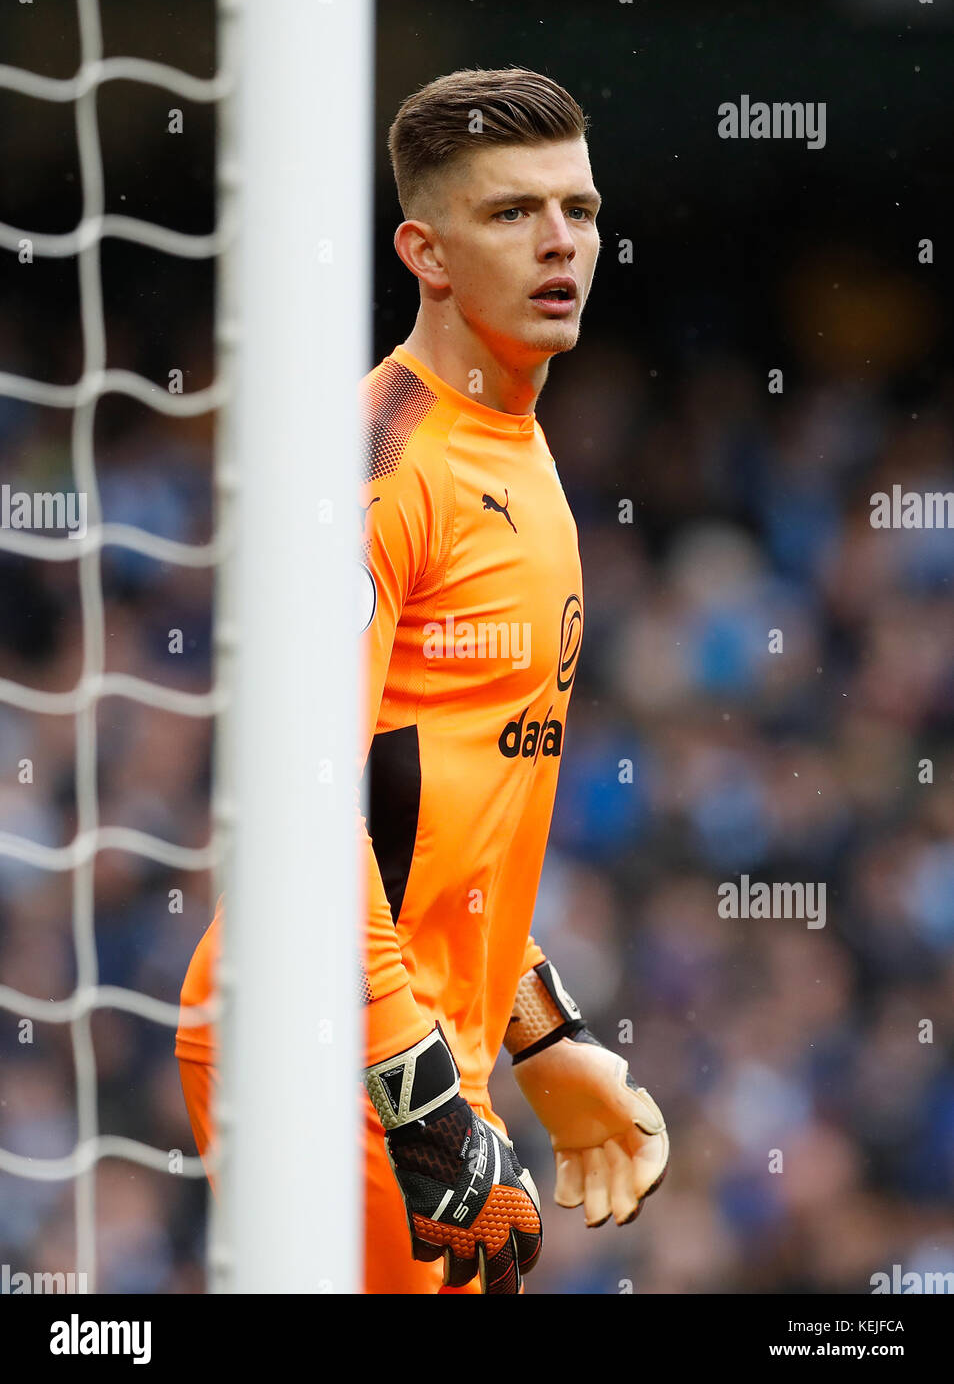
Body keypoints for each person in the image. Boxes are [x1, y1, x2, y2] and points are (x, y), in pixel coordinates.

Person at [176, 65, 668, 1296]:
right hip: (317, 1031)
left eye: (582, 209)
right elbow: (301, 806)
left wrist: (540, 1036)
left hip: (414, 1033)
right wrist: (419, 1092)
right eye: (514, 213)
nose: (562, 243)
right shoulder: (377, 469)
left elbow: (448, 827)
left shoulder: (524, 448)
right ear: (425, 250)